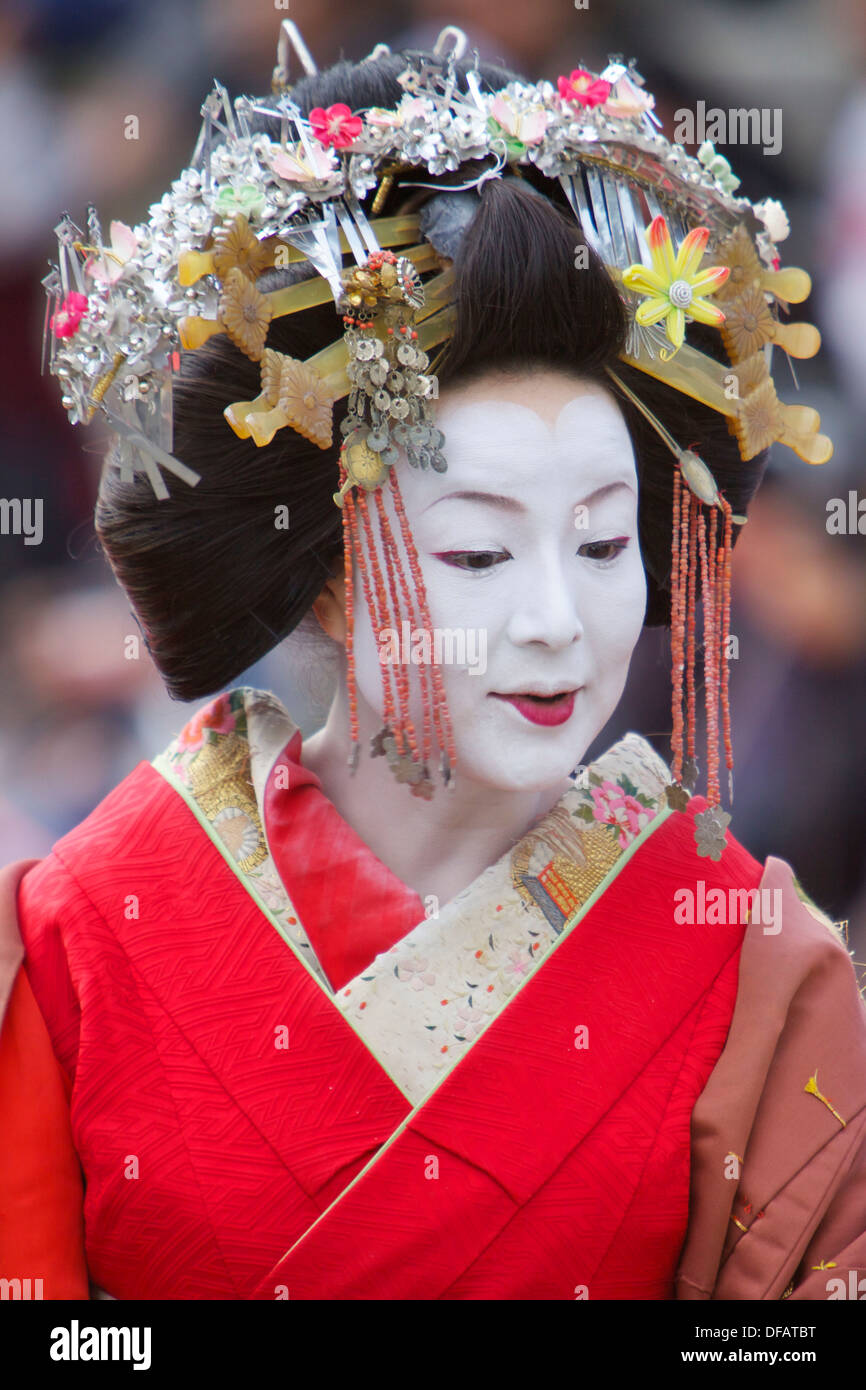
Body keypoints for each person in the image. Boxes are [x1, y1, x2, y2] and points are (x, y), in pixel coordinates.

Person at [0, 24, 864, 1302]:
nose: (558, 620)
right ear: (330, 577)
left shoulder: (755, 959)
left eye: (604, 541)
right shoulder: (82, 929)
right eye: (475, 556)